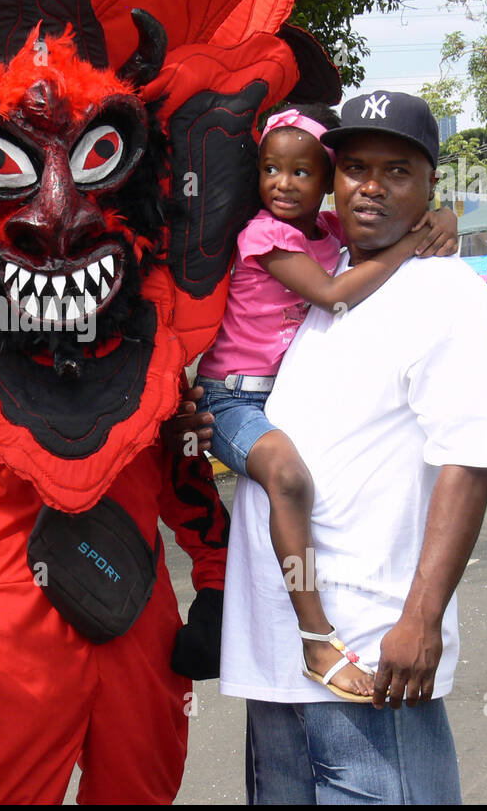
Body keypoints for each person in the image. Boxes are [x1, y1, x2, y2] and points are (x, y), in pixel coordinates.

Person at [216, 90, 487, 805]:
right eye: (353, 168)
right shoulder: (325, 286)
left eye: (396, 172)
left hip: (371, 649)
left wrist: (421, 619)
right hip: (278, 654)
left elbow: (468, 462)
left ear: (431, 186)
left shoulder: (451, 300)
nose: (370, 187)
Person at [194, 103, 457, 700]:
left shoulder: (332, 232)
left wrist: (441, 216)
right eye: (269, 170)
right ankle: (316, 638)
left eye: (302, 174)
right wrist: (414, 241)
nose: (282, 185)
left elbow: (377, 240)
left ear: (329, 182)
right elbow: (336, 294)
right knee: (288, 479)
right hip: (233, 399)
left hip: (274, 397)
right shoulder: (266, 234)